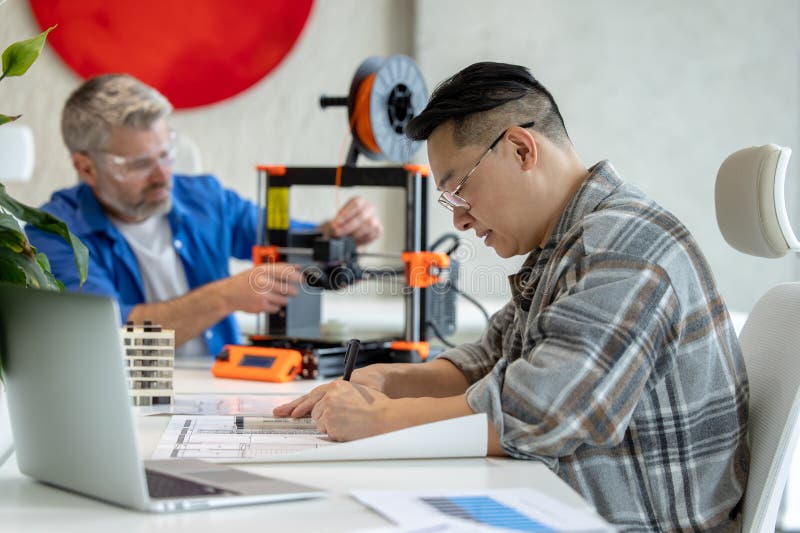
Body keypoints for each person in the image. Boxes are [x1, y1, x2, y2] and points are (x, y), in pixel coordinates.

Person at [274, 62, 749, 530]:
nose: (458, 220)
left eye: (458, 189)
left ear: (521, 150)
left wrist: (382, 419)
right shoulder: (564, 244)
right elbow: (491, 359)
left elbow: (540, 413)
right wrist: (389, 381)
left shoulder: (623, 245)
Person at [27, 73, 383, 357]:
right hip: (130, 403)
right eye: (140, 164)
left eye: (166, 154)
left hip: (223, 388)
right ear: (86, 168)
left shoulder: (205, 199)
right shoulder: (54, 235)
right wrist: (224, 296)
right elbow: (110, 338)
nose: (163, 174)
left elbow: (298, 244)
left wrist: (344, 232)